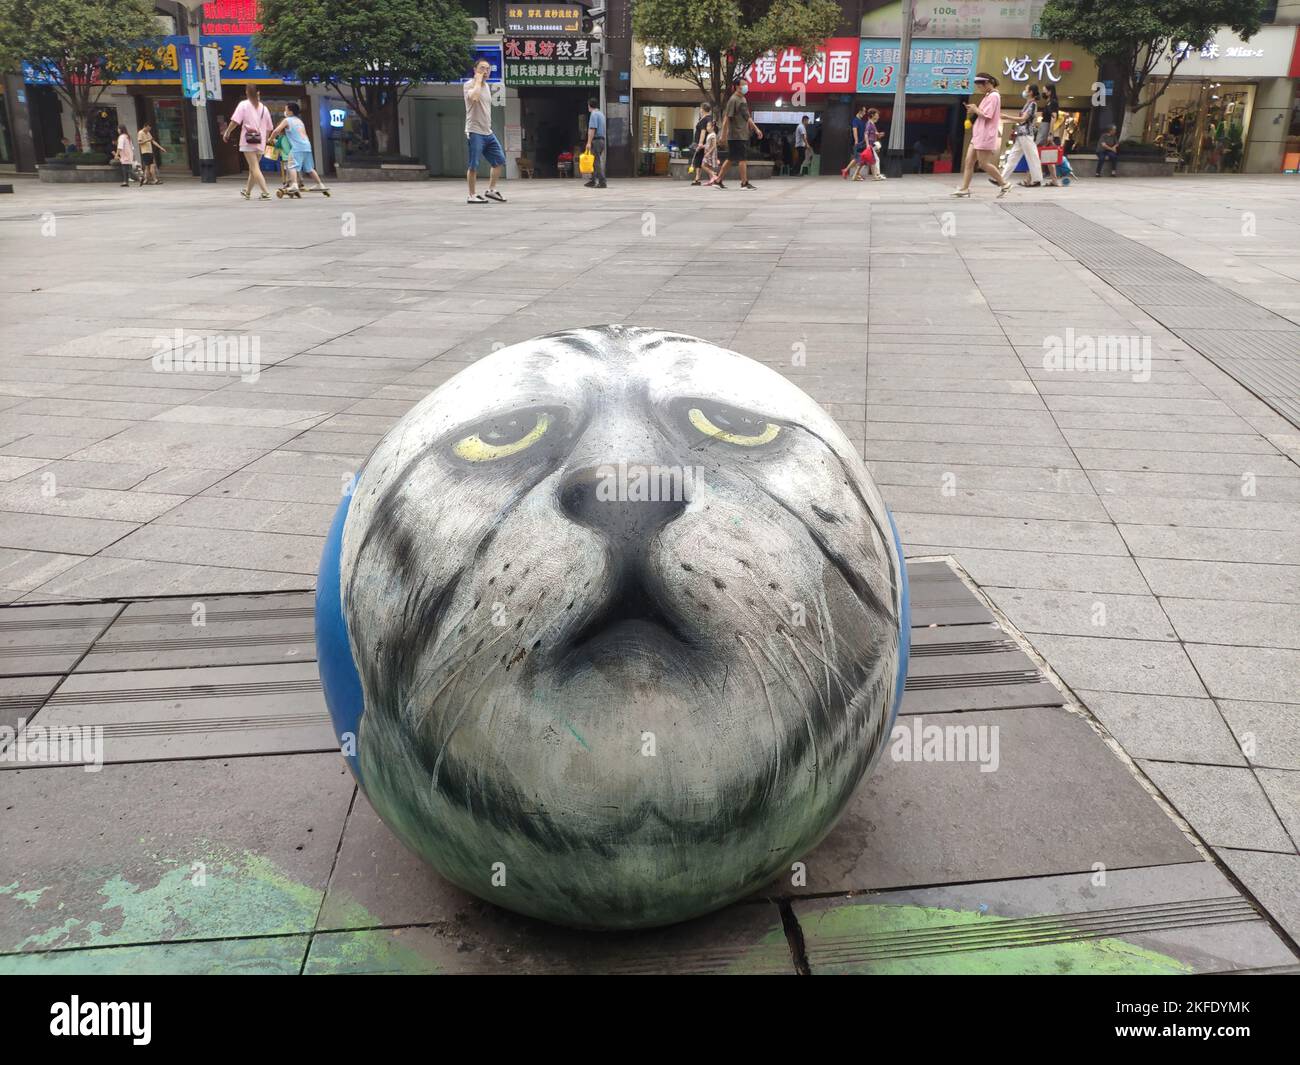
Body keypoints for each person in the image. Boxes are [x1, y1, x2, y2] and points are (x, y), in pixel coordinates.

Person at [952, 72, 1011, 197]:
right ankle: (964, 188)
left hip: (985, 134)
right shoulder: (988, 95)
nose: (979, 88)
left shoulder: (994, 96)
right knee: (969, 161)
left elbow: (987, 115)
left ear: (987, 83)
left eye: (980, 86)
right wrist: (974, 109)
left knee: (983, 163)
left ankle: (1004, 184)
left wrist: (975, 109)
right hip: (979, 134)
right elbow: (983, 113)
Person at [464, 57, 506, 204]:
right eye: (482, 68)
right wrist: (477, 80)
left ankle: (491, 190)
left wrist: (482, 81)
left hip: (488, 132)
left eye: (487, 69)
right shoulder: (469, 85)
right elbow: (474, 97)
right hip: (474, 131)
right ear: (475, 70)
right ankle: (472, 195)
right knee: (473, 165)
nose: (485, 71)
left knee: (499, 160)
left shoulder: (487, 86)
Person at [224, 85, 273, 200]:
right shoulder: (264, 108)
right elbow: (269, 128)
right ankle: (247, 191)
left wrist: (227, 132)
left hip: (248, 141)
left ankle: (265, 192)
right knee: (253, 168)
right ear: (258, 93)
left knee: (254, 168)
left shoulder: (243, 105)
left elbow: (235, 121)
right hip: (260, 142)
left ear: (247, 92)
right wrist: (265, 141)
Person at [269, 102, 329, 193]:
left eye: (286, 110)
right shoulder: (299, 121)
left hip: (297, 147)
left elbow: (276, 130)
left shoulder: (287, 120)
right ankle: (319, 184)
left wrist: (270, 139)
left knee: (291, 165)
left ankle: (294, 185)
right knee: (309, 168)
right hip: (307, 146)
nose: (285, 112)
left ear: (290, 111)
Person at [716, 80, 762, 190]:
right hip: (736, 134)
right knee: (742, 159)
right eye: (743, 84)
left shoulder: (742, 99)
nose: (746, 86)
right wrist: (723, 135)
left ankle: (718, 180)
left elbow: (747, 117)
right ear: (737, 86)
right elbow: (727, 118)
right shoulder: (733, 99)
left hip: (742, 134)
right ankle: (744, 183)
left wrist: (756, 129)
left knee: (731, 158)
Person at [1001, 83, 1044, 187]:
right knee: (1013, 157)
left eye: (1026, 89)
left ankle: (1037, 179)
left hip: (1026, 134)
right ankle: (1001, 179)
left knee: (1031, 157)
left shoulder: (1032, 104)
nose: (1024, 91)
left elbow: (1023, 119)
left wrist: (1007, 117)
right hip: (1022, 134)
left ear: (1031, 92)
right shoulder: (1028, 103)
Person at [1039, 84, 1061, 186]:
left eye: (1044, 91)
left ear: (1050, 91)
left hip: (1046, 128)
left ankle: (1031, 178)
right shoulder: (1049, 102)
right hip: (1044, 127)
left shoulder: (1053, 103)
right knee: (1047, 155)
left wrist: (1050, 133)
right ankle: (1054, 179)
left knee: (1036, 152)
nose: (1043, 93)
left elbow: (1053, 118)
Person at [584, 97, 607, 188]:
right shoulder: (601, 114)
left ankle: (602, 181)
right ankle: (593, 180)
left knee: (596, 162)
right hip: (602, 140)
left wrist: (589, 142)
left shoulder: (593, 114)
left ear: (589, 105)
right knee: (594, 161)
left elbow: (592, 129)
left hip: (596, 140)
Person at [689, 102, 713, 186]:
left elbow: (703, 132)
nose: (700, 110)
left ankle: (700, 178)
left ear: (702, 109)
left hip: (702, 143)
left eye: (700, 108)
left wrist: (700, 143)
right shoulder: (707, 118)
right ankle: (708, 178)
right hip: (704, 143)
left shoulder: (705, 119)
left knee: (700, 160)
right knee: (702, 160)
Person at [843, 105, 868, 179]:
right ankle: (847, 171)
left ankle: (853, 172)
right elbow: (854, 130)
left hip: (862, 143)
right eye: (864, 111)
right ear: (860, 111)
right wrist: (856, 141)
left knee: (861, 159)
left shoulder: (862, 121)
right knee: (858, 159)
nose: (865, 113)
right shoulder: (855, 120)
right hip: (858, 143)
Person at [864, 108, 885, 180]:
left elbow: (875, 134)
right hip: (870, 144)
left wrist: (879, 134)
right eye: (877, 114)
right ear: (872, 115)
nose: (878, 116)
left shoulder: (872, 124)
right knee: (875, 160)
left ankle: (877, 175)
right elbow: (866, 134)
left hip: (873, 144)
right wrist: (867, 145)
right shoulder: (869, 123)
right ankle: (877, 175)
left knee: (875, 160)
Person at [700, 119, 720, 186]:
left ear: (712, 127)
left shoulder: (713, 135)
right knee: (708, 166)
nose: (707, 128)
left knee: (703, 165)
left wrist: (708, 153)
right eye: (707, 126)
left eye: (708, 126)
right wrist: (703, 146)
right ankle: (712, 180)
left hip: (710, 153)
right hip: (707, 152)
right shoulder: (709, 135)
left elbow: (714, 145)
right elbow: (708, 144)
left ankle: (714, 174)